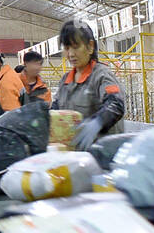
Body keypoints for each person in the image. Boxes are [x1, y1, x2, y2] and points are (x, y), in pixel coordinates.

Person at [53, 19, 124, 149]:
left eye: (76, 47)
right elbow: (55, 112)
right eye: (67, 48)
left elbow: (116, 104)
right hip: (76, 156)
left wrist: (98, 122)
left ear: (90, 46)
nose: (71, 54)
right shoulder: (65, 82)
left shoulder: (101, 75)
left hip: (103, 156)